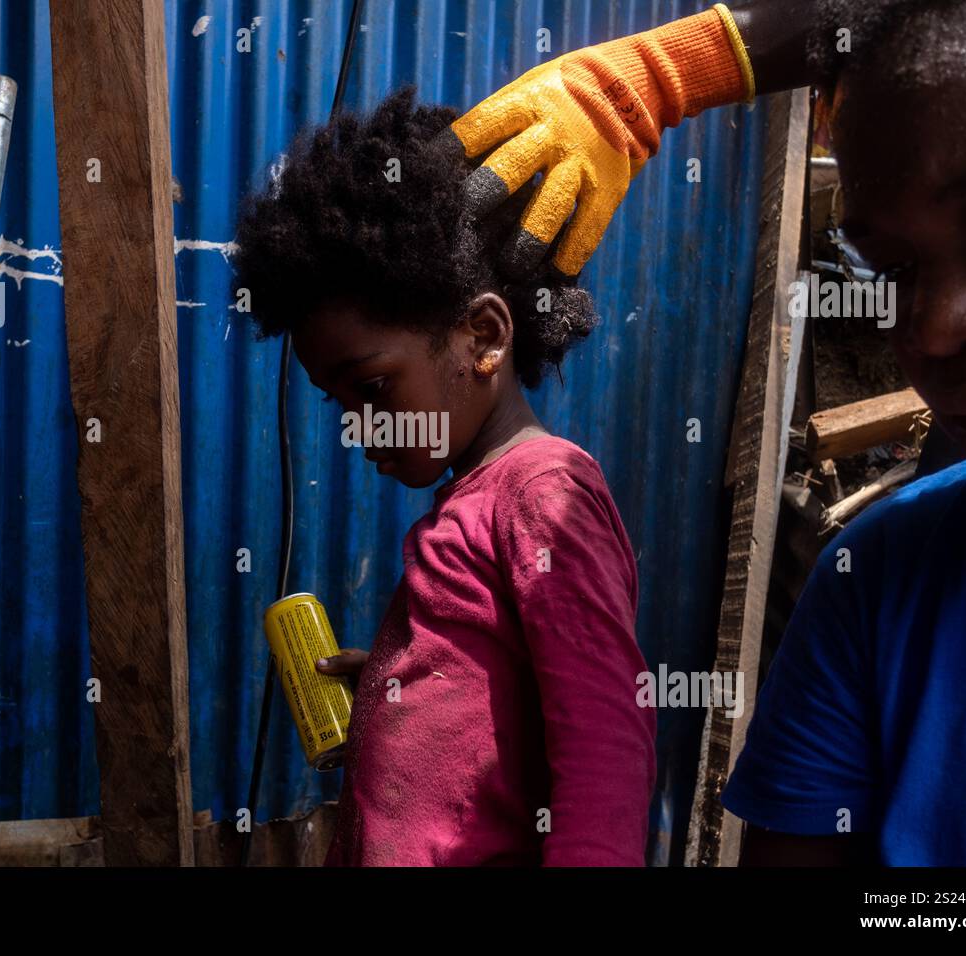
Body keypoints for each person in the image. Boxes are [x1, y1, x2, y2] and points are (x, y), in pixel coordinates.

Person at [456, 0, 966, 865]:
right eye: (893, 271)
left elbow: (602, 752)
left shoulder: (544, 499)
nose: (931, 329)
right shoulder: (874, 583)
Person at [231, 88, 654, 865]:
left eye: (373, 386)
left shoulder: (542, 496)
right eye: (339, 402)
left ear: (484, 336)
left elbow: (606, 753)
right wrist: (405, 690)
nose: (359, 424)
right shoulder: (477, 499)